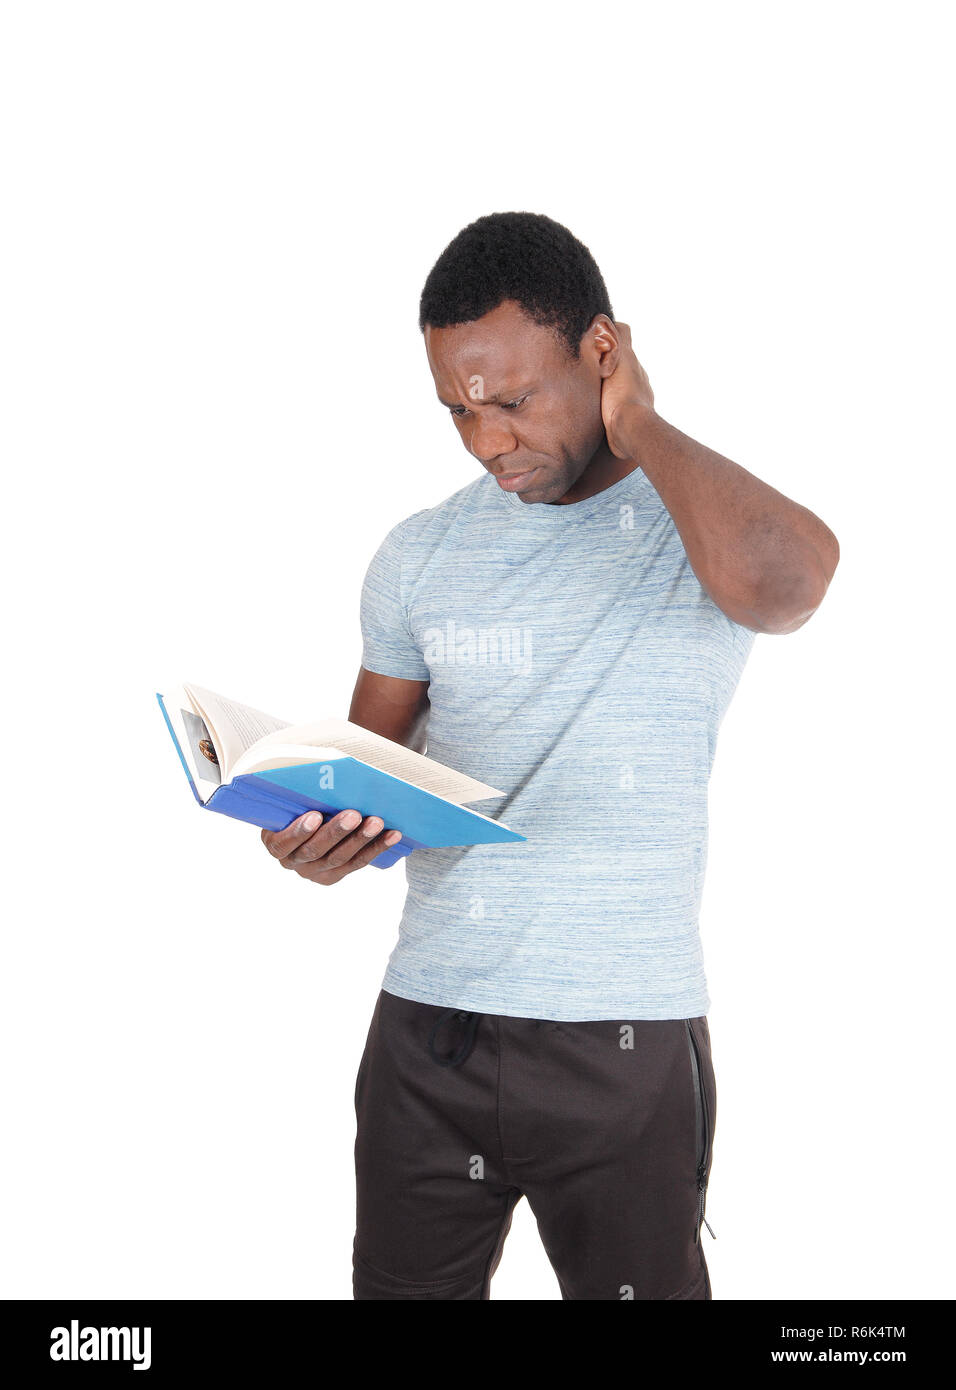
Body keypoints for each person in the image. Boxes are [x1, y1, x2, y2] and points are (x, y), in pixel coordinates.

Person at [261, 212, 840, 1300]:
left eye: (514, 401)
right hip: (425, 1033)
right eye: (456, 410)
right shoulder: (418, 552)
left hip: (620, 1043)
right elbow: (363, 767)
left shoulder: (693, 529)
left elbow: (788, 584)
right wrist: (315, 836)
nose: (486, 440)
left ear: (602, 351)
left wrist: (644, 425)